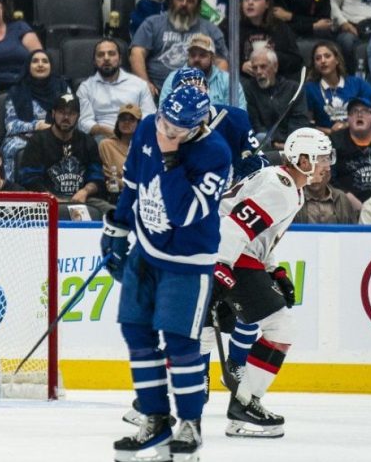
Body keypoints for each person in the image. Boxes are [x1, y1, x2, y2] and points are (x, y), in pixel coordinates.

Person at [101, 85, 231, 461]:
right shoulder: (146, 128)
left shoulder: (215, 154)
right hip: (146, 251)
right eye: (162, 122)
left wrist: (171, 155)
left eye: (175, 131)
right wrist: (117, 228)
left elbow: (183, 212)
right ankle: (155, 418)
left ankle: (189, 423)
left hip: (188, 263)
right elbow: (132, 183)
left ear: (196, 127)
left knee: (180, 342)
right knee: (135, 331)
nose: (164, 133)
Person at [210, 128, 334, 438]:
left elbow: (257, 235)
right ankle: (244, 406)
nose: (325, 164)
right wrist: (220, 269)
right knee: (281, 327)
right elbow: (233, 228)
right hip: (229, 256)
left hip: (236, 256)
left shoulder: (290, 186)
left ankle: (239, 408)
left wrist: (274, 270)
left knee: (207, 332)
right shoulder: (280, 188)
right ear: (301, 158)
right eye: (319, 158)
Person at [168, 66, 269, 182]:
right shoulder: (166, 128)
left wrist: (256, 166)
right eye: (186, 91)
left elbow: (265, 162)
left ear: (208, 90)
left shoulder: (236, 119)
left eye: (198, 88)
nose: (194, 96)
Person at [130, 0, 229, 94]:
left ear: (198, 6)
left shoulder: (210, 29)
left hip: (200, 93)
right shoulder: (152, 23)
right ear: (172, 0)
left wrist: (213, 90)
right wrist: (145, 84)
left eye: (190, 1)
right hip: (158, 92)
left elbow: (222, 61)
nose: (184, 4)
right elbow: (137, 54)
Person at [18, 93, 105, 210]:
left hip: (83, 200)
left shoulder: (88, 142)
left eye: (71, 113)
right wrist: (53, 199)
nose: (66, 118)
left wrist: (85, 191)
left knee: (111, 213)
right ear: (53, 114)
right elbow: (29, 180)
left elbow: (97, 177)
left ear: (78, 116)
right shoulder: (38, 141)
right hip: (46, 202)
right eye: (61, 112)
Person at [2, 50, 73, 177]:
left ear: (51, 66)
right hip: (22, 138)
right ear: (28, 66)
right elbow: (10, 125)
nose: (40, 65)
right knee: (12, 150)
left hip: (57, 136)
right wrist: (37, 126)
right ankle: (15, 193)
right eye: (35, 61)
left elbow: (72, 116)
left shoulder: (62, 87)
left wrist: (55, 130)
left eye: (45, 61)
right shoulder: (16, 91)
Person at [304, 40, 371, 134]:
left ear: (337, 60)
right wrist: (330, 132)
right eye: (318, 58)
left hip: (356, 137)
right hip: (326, 141)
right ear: (315, 64)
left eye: (327, 56)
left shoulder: (356, 83)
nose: (323, 61)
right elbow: (306, 125)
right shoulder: (310, 89)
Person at [77, 39, 156, 141]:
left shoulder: (139, 84)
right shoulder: (86, 88)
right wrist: (103, 130)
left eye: (111, 54)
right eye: (100, 55)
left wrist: (131, 132)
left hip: (136, 136)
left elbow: (150, 115)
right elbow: (84, 122)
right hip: (103, 138)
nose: (106, 58)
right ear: (94, 62)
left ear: (120, 59)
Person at [330, 97, 371, 210]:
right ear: (348, 119)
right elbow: (330, 178)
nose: (359, 115)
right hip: (346, 205)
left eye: (365, 111)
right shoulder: (335, 142)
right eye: (354, 111)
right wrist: (348, 199)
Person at [243, 47, 311, 151]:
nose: (259, 72)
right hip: (265, 146)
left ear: (275, 66)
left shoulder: (293, 88)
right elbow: (255, 123)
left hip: (294, 146)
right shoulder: (249, 89)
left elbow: (300, 121)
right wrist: (274, 144)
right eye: (255, 68)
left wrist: (290, 145)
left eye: (263, 66)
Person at [159, 33, 246, 109]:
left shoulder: (227, 81)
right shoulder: (173, 78)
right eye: (193, 55)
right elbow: (163, 110)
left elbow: (239, 113)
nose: (196, 59)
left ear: (212, 57)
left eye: (202, 55)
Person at [239, 0, 303, 79]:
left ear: (267, 4)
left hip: (277, 81)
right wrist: (240, 66)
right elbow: (222, 59)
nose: (250, 3)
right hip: (245, 83)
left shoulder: (280, 27)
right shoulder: (234, 27)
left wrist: (273, 58)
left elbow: (296, 61)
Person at [97, 104, 141, 199]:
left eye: (131, 119)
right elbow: (109, 177)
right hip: (114, 195)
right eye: (123, 119)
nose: (126, 122)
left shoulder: (143, 148)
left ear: (139, 123)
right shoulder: (106, 145)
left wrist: (121, 182)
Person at [292, 162, 358, 224]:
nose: (315, 179)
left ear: (328, 176)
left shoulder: (341, 198)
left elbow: (351, 231)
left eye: (321, 174)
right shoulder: (295, 197)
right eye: (311, 175)